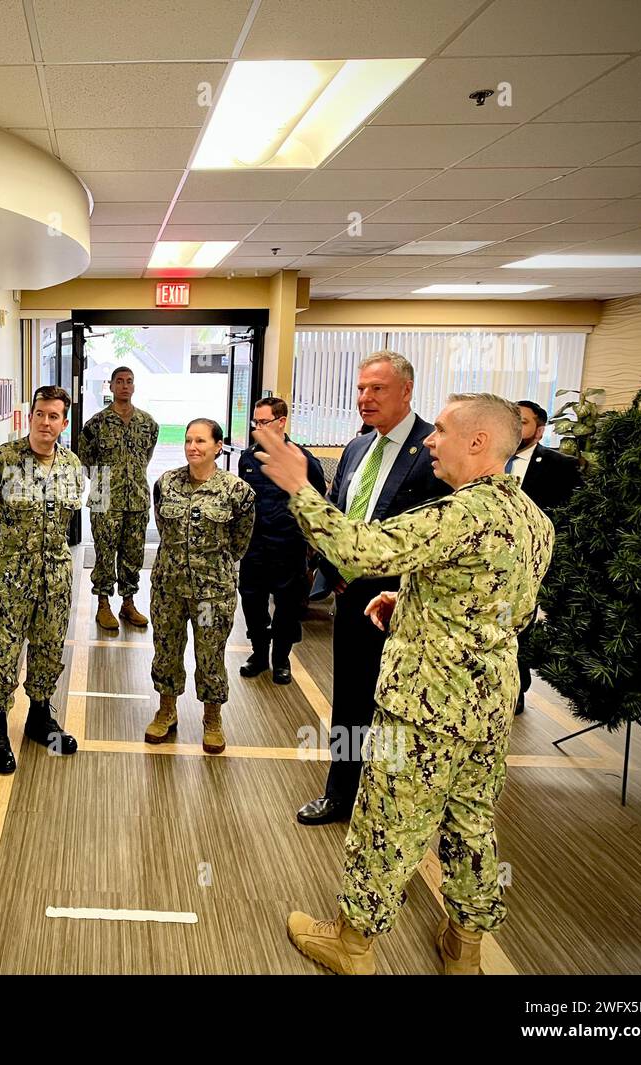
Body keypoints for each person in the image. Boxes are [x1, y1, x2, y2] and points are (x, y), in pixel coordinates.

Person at [255, 392, 554, 976]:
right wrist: (413, 602)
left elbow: (357, 550)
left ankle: (352, 942)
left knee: (387, 821)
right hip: (487, 707)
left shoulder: (463, 511)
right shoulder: (533, 519)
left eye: (440, 431)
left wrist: (299, 486)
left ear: (478, 442)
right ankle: (465, 944)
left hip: (425, 710)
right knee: (471, 822)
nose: (428, 441)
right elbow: (507, 611)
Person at [297, 350, 450, 827]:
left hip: (404, 604)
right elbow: (339, 514)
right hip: (351, 594)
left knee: (399, 705)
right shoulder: (359, 447)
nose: (364, 398)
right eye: (361, 388)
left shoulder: (432, 451)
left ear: (406, 391)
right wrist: (333, 566)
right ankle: (341, 793)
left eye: (377, 389)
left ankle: (390, 801)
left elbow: (438, 536)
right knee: (350, 698)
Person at [0, 385, 86, 774]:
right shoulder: (3, 460)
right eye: (40, 414)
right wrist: (3, 558)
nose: (46, 422)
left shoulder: (71, 466)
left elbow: (67, 521)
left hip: (54, 579)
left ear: (64, 423)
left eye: (54, 416)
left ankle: (39, 718)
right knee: (3, 654)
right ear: (29, 416)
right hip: (7, 582)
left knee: (49, 650)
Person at [145, 418, 254, 755]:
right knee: (166, 650)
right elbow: (163, 527)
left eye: (201, 441)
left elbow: (240, 541)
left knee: (209, 654)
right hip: (169, 589)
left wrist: (212, 567)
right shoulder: (166, 483)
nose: (193, 447)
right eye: (189, 440)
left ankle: (212, 719)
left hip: (211, 594)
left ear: (218, 447)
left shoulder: (237, 492)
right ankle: (166, 711)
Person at [237, 397, 325, 683]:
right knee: (252, 602)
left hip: (288, 546)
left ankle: (281, 659)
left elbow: (316, 500)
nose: (258, 428)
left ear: (281, 422)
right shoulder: (248, 457)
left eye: (264, 422)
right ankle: (259, 654)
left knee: (287, 606)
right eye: (256, 422)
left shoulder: (302, 459)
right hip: (255, 545)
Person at [510, 399, 581, 715]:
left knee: (520, 626)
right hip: (488, 561)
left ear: (538, 430)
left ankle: (516, 687)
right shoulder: (489, 458)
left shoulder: (558, 466)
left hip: (531, 564)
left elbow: (573, 515)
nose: (514, 426)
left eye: (522, 422)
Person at [77, 365, 159, 632]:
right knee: (104, 553)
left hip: (136, 497)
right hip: (104, 498)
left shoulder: (148, 424)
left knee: (133, 553)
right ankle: (103, 603)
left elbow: (145, 458)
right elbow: (84, 459)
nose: (125, 385)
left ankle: (128, 602)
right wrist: (103, 482)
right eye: (119, 381)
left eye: (129, 381)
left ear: (134, 387)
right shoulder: (95, 424)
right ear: (110, 386)